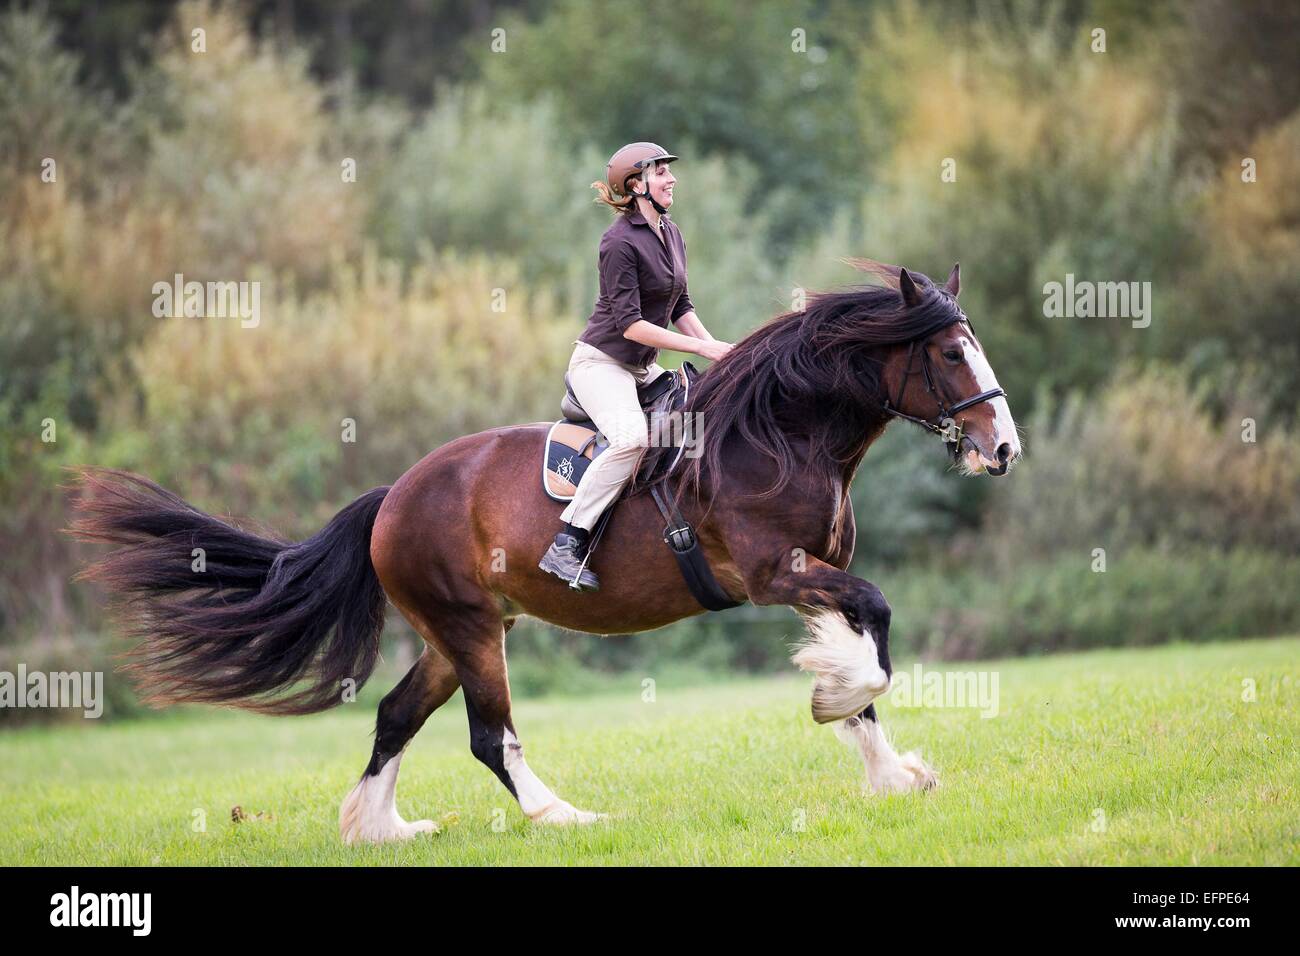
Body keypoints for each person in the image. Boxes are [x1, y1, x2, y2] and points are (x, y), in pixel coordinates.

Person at [538, 142, 732, 591]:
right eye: (661, 171)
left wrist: (719, 347)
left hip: (641, 370)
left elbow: (680, 304)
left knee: (695, 429)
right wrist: (701, 351)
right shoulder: (618, 243)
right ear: (636, 184)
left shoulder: (672, 232)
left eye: (668, 170)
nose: (671, 179)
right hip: (602, 365)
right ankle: (567, 543)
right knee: (631, 440)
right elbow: (631, 326)